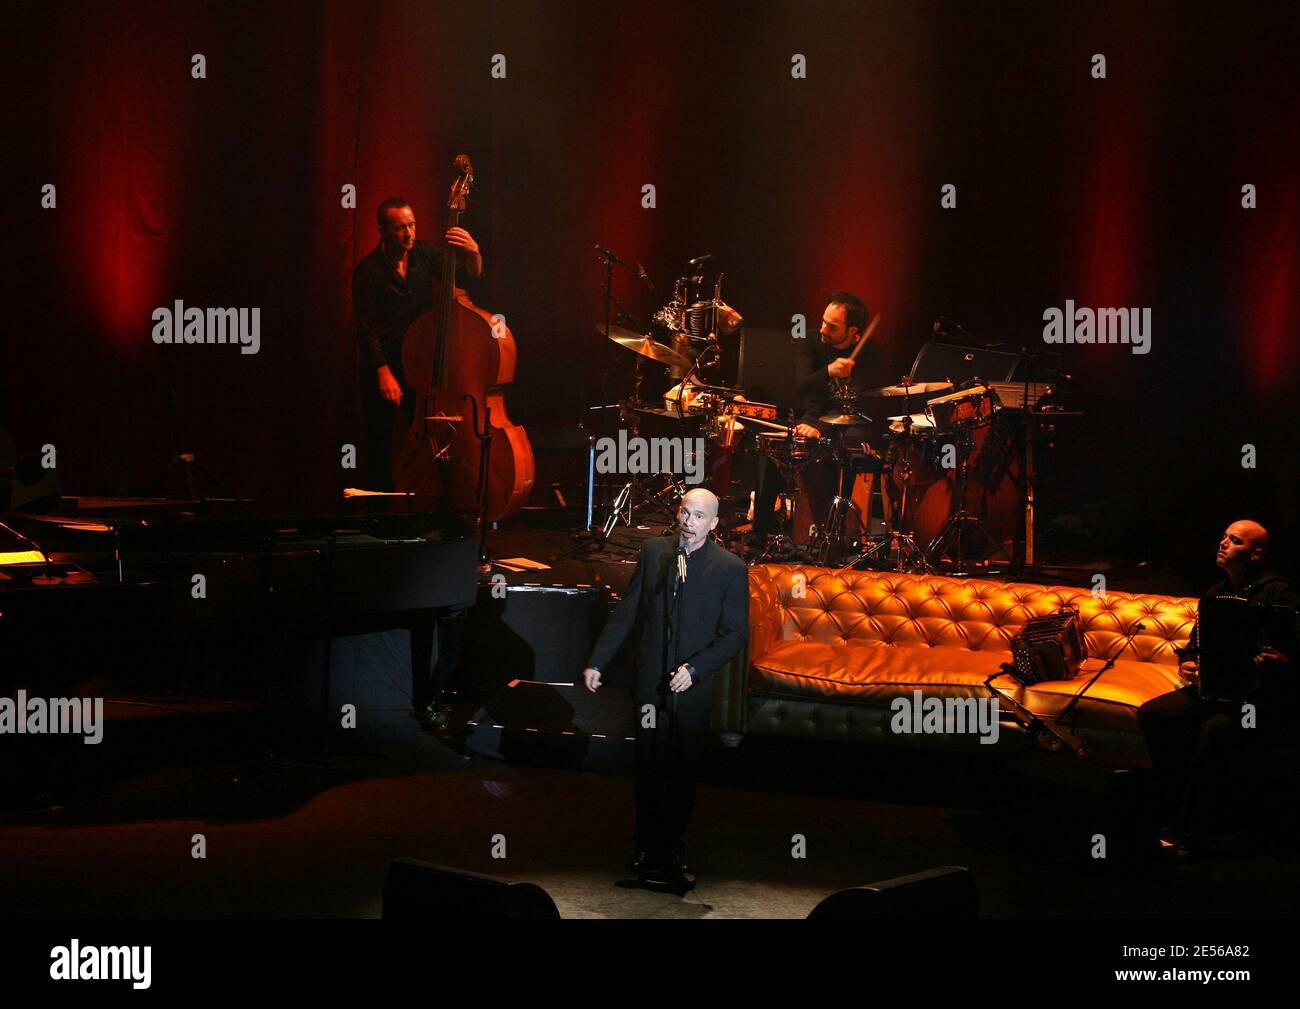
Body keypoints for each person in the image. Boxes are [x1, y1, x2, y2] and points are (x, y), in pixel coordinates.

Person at [582, 487, 749, 890]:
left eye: (697, 516)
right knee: (648, 768)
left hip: (691, 686)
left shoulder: (730, 568)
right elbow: (628, 610)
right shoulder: (656, 552)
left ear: (713, 524)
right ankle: (644, 846)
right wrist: (597, 660)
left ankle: (672, 848)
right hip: (651, 682)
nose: (687, 522)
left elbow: (734, 634)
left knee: (681, 772)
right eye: (684, 512)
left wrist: (696, 668)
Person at [1137, 519, 1299, 857]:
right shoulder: (1213, 594)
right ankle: (1170, 806)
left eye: (1234, 540)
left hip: (1259, 699)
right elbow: (1195, 643)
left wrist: (1282, 660)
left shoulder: (1280, 594)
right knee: (1154, 714)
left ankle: (1193, 835)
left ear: (1255, 554)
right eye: (1223, 537)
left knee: (1216, 731)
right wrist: (1189, 660)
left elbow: (1292, 647)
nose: (1223, 543)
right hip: (1213, 691)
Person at [352, 197, 483, 490]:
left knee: (429, 437)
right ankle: (379, 513)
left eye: (411, 225)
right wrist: (382, 370)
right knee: (380, 441)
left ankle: (428, 503)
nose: (409, 233)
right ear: (383, 231)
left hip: (421, 367)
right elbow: (365, 328)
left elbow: (467, 277)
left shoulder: (423, 254)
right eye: (400, 228)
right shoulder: (368, 271)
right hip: (383, 366)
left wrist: (473, 252)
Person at [752, 291, 882, 543]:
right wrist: (828, 371)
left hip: (848, 425)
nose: (823, 329)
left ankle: (841, 534)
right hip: (809, 420)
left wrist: (823, 428)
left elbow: (860, 405)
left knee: (853, 443)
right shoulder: (811, 341)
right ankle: (759, 532)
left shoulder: (871, 353)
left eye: (832, 326)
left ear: (853, 331)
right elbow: (799, 386)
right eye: (823, 321)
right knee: (770, 450)